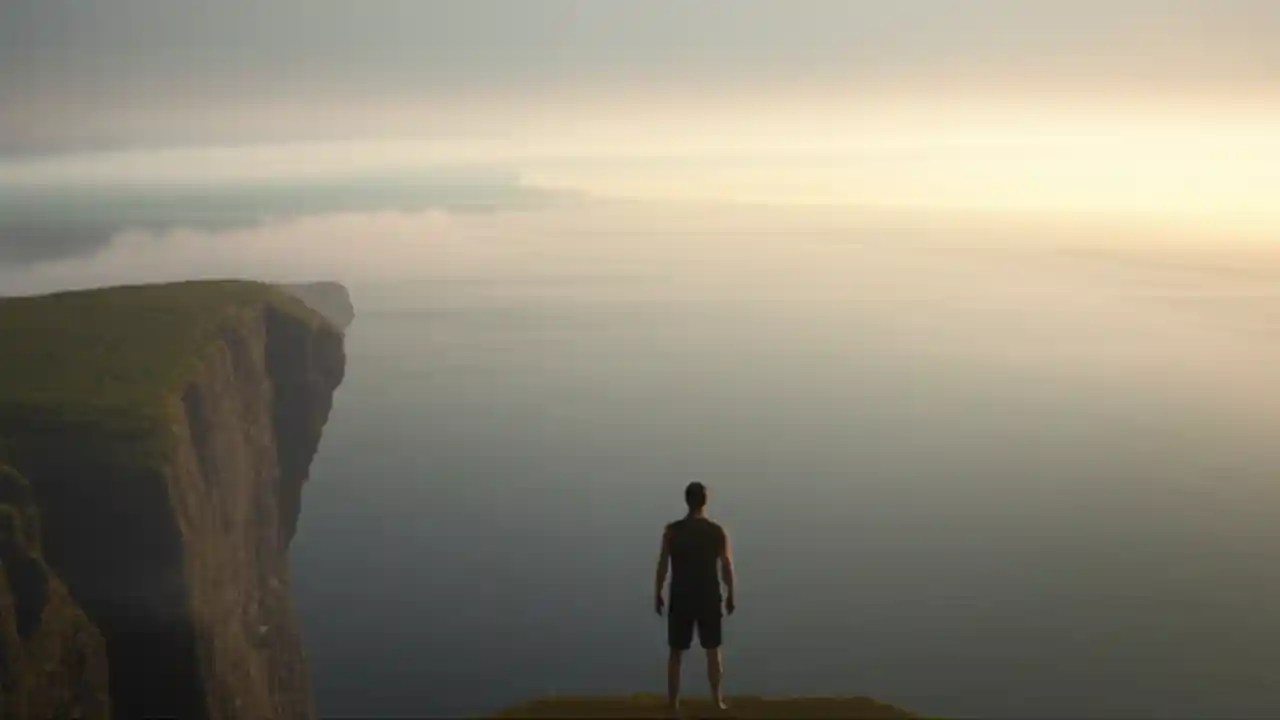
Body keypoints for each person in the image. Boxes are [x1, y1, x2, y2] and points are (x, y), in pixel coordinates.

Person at [654, 481, 735, 714]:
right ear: (704, 500)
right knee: (713, 650)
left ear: (686, 500)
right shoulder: (716, 531)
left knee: (676, 653)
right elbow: (726, 566)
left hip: (681, 597)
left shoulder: (673, 531)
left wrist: (657, 592)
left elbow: (662, 565)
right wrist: (731, 594)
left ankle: (673, 703)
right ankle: (717, 700)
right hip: (709, 596)